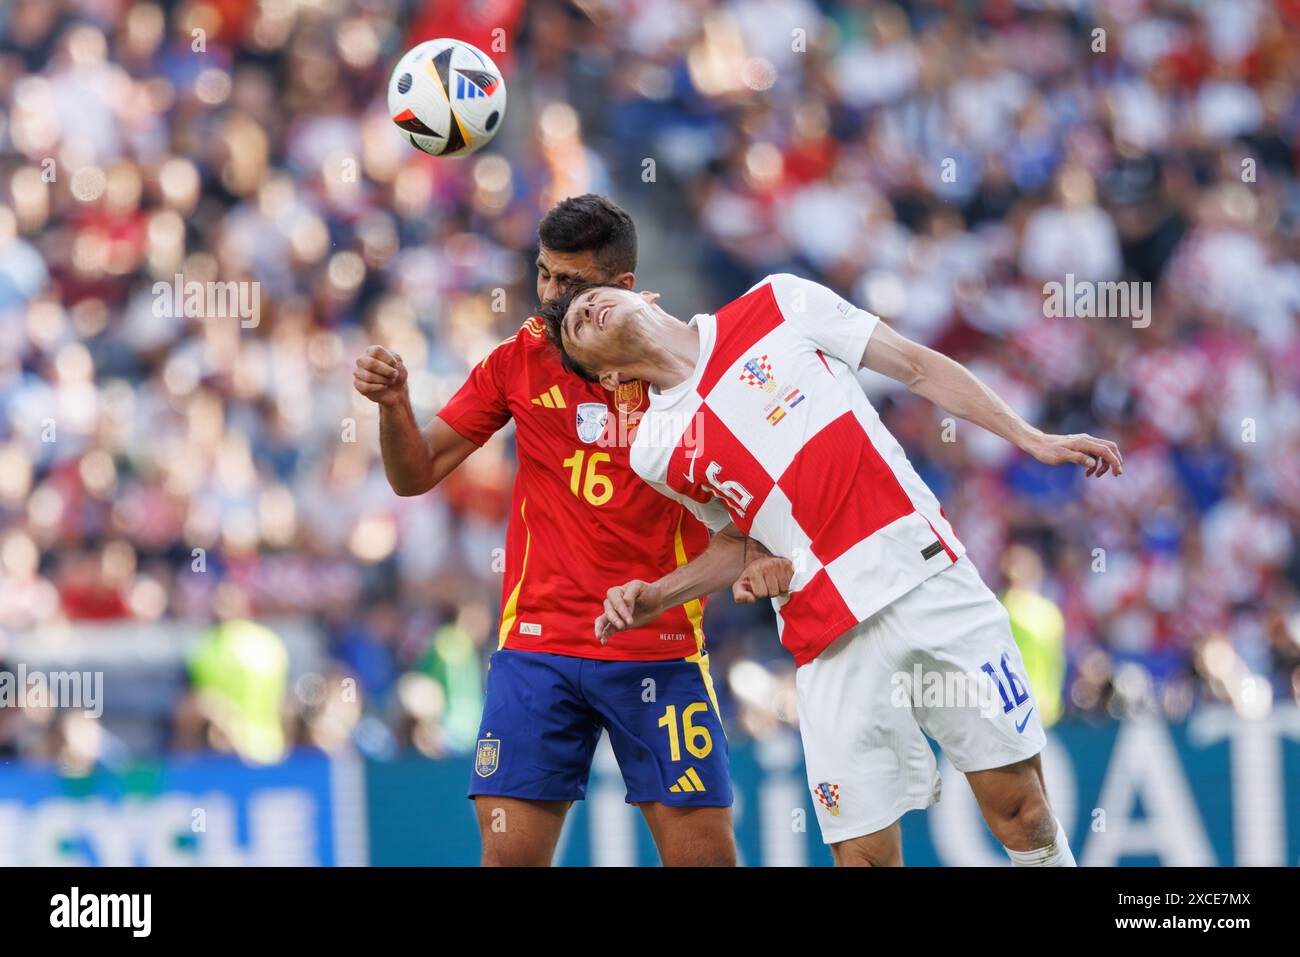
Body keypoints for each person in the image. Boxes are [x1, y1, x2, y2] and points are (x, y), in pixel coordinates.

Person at [542, 273, 1124, 866]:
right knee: (863, 859)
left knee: (1023, 813)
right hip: (826, 632)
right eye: (574, 325)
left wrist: (1030, 437)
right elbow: (741, 541)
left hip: (918, 572)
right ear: (608, 378)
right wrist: (658, 595)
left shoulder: (777, 301)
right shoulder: (655, 448)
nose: (586, 309)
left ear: (647, 296)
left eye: (592, 298)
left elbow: (916, 366)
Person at [353, 195, 785, 866]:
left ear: (623, 289)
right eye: (544, 274)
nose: (551, 296)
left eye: (572, 284)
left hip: (658, 648)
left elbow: (752, 511)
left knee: (705, 859)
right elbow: (415, 473)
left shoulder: (686, 372)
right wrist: (393, 406)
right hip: (539, 648)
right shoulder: (517, 360)